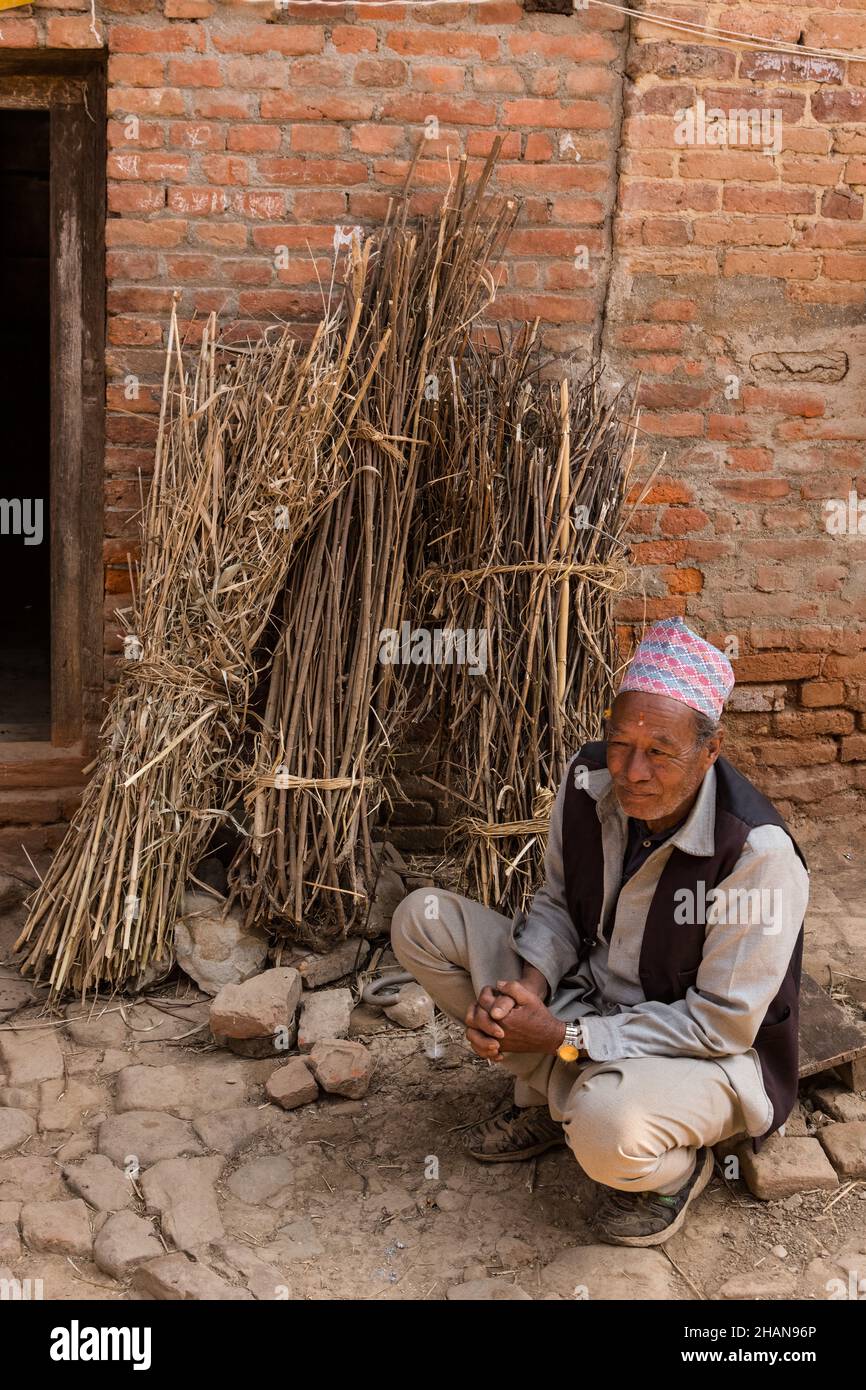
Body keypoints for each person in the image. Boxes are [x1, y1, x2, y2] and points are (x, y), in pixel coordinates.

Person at [391, 617, 809, 1246]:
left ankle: (669, 1166)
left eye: (660, 751)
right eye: (620, 744)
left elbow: (721, 1024)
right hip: (589, 1000)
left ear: (711, 750)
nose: (632, 771)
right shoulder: (587, 781)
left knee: (607, 1127)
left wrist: (563, 1034)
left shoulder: (756, 854)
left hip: (705, 1055)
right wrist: (527, 988)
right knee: (422, 921)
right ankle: (555, 1085)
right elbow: (559, 903)